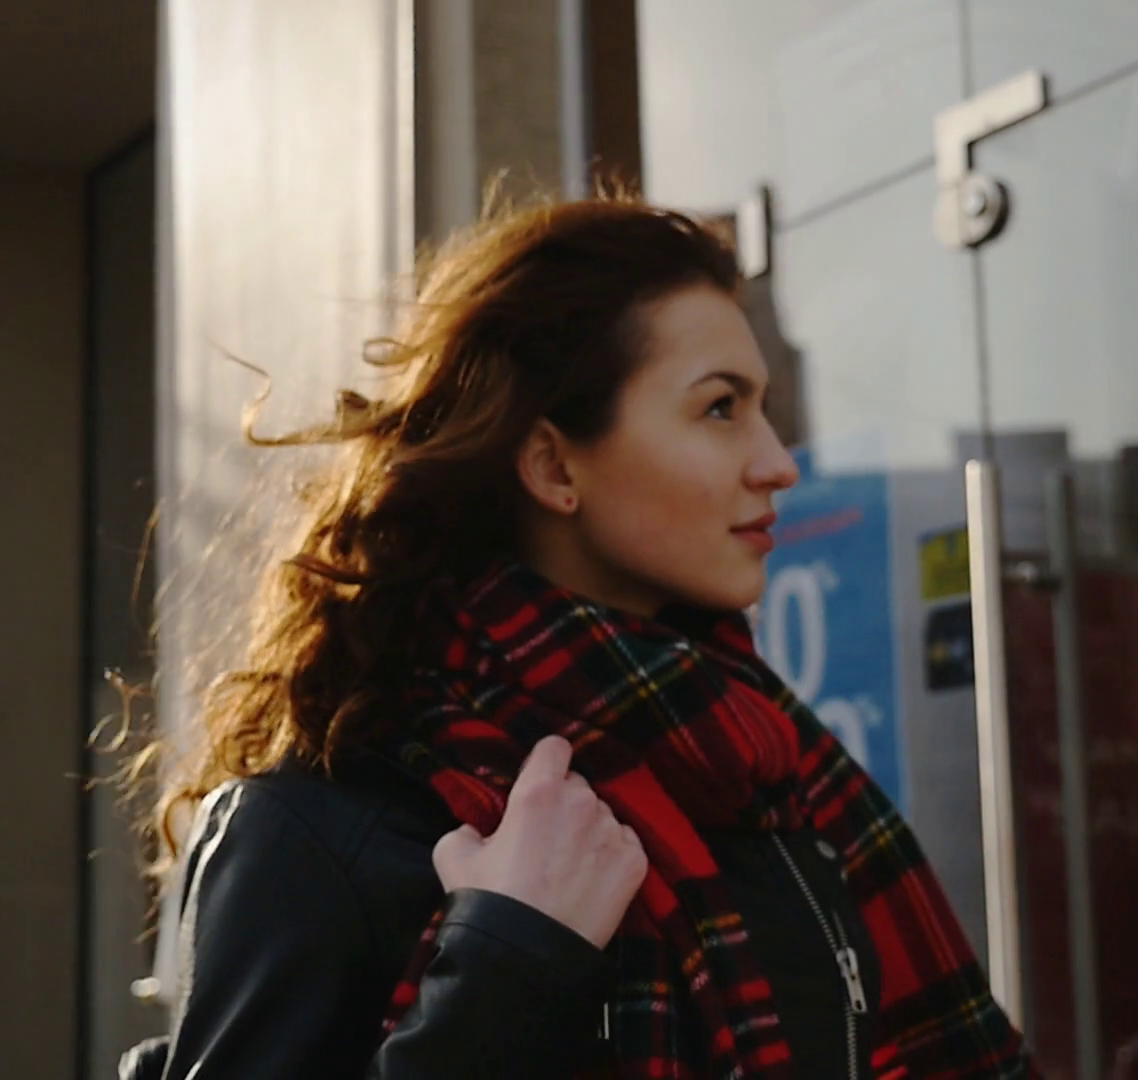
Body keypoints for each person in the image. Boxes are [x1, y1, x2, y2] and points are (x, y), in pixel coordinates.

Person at [119, 194, 1035, 1079]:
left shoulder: (771, 781)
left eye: (764, 408)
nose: (778, 463)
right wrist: (507, 957)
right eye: (721, 408)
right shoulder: (326, 823)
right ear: (556, 463)